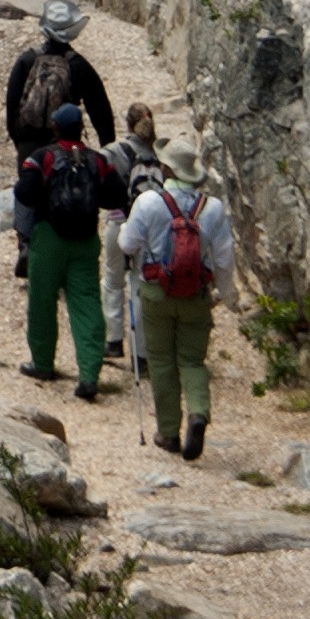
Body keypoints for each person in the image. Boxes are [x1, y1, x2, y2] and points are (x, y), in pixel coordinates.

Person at [115, 136, 233, 459]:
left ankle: (168, 432)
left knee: (162, 361)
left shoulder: (150, 203)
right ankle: (198, 412)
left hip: (156, 293)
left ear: (166, 167)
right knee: (192, 360)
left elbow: (126, 243)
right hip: (195, 294)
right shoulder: (212, 208)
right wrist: (225, 294)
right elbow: (224, 257)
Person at [12, 101, 112, 398]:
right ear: (81, 129)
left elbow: (23, 192)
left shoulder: (41, 158)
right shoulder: (97, 160)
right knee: (87, 303)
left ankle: (42, 363)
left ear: (54, 127)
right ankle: (89, 373)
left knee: (42, 301)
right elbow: (115, 195)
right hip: (85, 240)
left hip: (49, 238)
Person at [3, 0, 120, 160]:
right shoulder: (79, 66)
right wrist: (107, 148)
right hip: (65, 148)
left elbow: (11, 104)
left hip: (29, 147)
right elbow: (100, 110)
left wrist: (20, 141)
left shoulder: (26, 60)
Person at [105, 101, 162, 376]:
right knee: (140, 285)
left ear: (127, 124)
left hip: (118, 221)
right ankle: (141, 355)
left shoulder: (116, 151)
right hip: (149, 229)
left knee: (113, 279)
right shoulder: (160, 155)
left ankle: (113, 340)